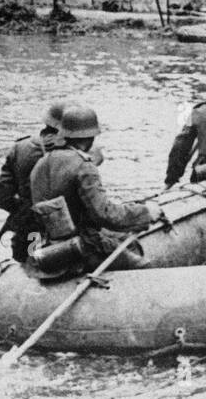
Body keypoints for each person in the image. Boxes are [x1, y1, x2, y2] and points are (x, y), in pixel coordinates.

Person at [28, 104, 161, 274]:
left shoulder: (41, 163)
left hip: (47, 247)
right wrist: (146, 213)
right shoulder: (84, 166)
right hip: (83, 248)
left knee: (121, 239)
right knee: (147, 269)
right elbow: (104, 214)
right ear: (90, 138)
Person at [0, 100, 67, 262]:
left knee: (29, 264)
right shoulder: (78, 151)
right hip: (67, 233)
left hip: (30, 231)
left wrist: (22, 209)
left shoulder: (20, 148)